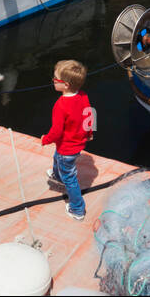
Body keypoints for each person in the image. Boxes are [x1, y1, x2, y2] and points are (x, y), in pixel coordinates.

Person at [41, 59, 92, 221]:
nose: (53, 81)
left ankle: (77, 209)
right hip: (76, 144)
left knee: (70, 179)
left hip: (66, 148)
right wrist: (89, 132)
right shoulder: (83, 96)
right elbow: (90, 114)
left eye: (55, 79)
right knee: (58, 159)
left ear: (66, 85)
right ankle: (57, 176)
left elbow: (56, 132)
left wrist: (45, 139)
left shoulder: (60, 105)